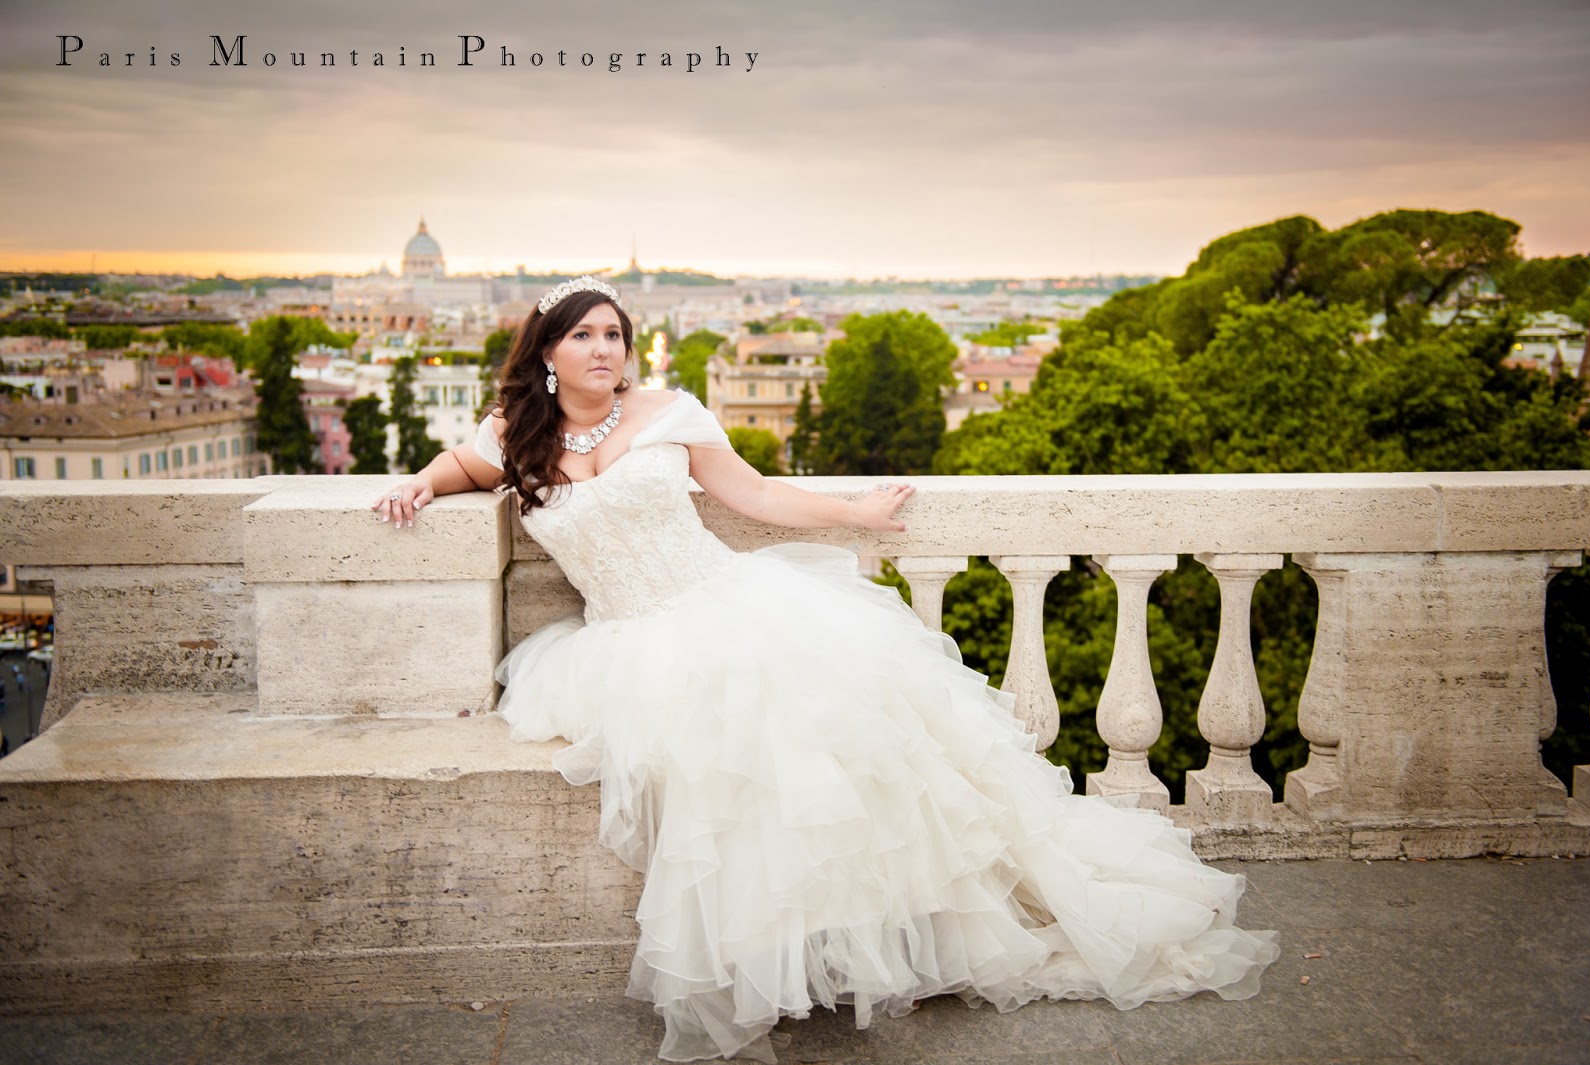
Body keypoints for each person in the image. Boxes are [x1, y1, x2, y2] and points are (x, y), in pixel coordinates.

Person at [375, 276, 1278, 1063]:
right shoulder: (515, 433)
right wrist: (417, 482)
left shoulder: (671, 412)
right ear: (546, 352)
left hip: (732, 604)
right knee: (723, 792)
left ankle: (901, 939)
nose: (604, 348)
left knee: (838, 761)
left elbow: (756, 494)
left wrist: (856, 511)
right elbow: (456, 466)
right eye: (584, 334)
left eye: (614, 332)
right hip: (623, 643)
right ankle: (791, 956)